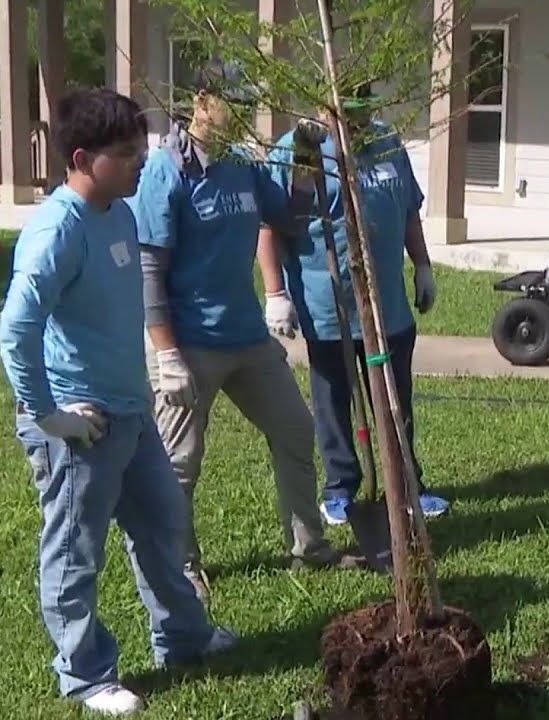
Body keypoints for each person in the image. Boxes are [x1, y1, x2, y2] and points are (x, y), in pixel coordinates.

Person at [0, 87, 238, 716]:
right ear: (83, 157)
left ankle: (184, 637)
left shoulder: (120, 212)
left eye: (141, 149)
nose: (141, 163)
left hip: (130, 411)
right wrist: (49, 415)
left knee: (164, 524)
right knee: (76, 550)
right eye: (128, 154)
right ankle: (83, 675)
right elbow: (15, 329)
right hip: (83, 422)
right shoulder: (56, 232)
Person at [127, 60, 362, 604]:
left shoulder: (240, 163)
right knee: (179, 462)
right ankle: (180, 566)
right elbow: (148, 270)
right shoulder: (169, 171)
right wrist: (166, 354)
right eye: (232, 101)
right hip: (187, 342)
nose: (241, 113)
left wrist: (305, 164)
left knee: (295, 430)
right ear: (202, 100)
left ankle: (309, 546)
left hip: (245, 337)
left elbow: (289, 217)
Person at [256, 82, 450, 525]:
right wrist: (275, 294)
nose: (358, 123)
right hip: (329, 306)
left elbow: (408, 211)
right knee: (334, 402)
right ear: (327, 108)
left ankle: (406, 486)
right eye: (349, 115)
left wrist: (422, 265)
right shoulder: (301, 148)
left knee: (395, 399)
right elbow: (271, 224)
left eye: (363, 113)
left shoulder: (384, 142)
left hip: (388, 306)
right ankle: (341, 488)